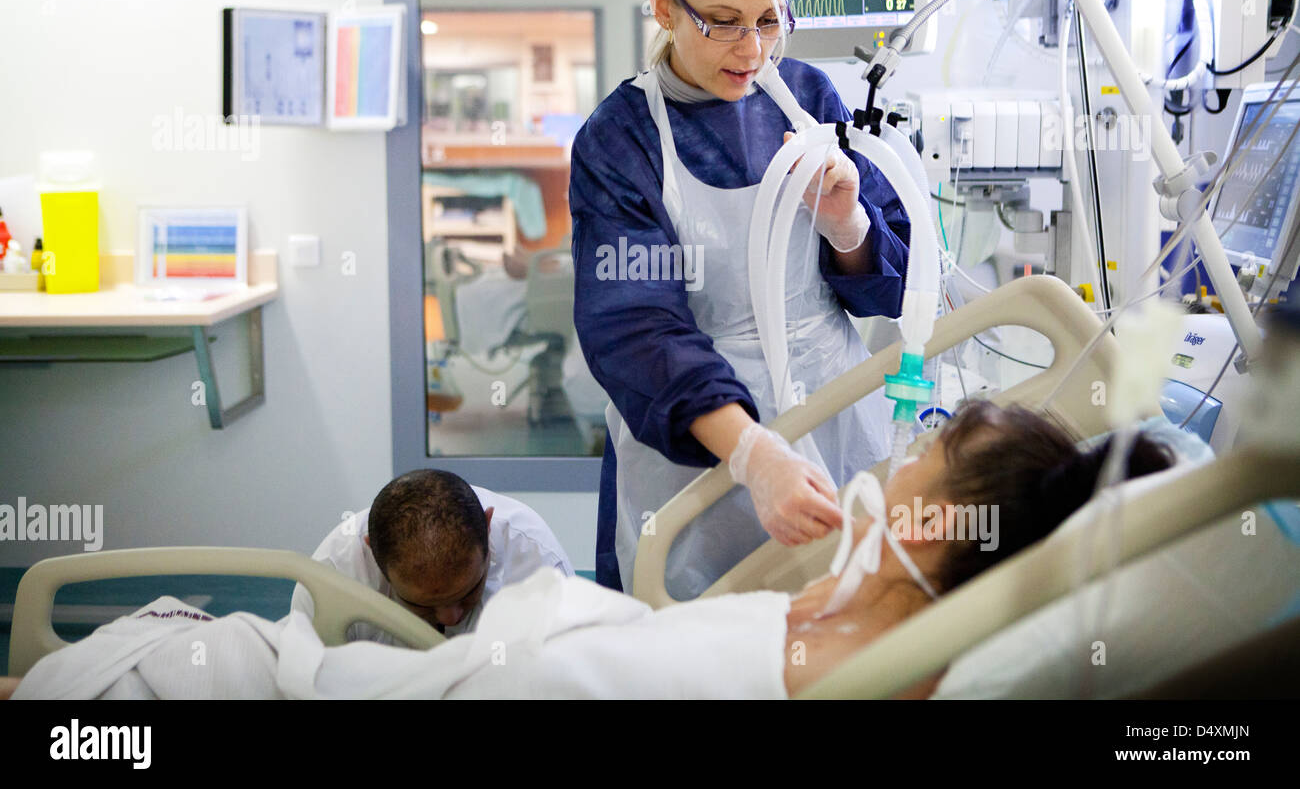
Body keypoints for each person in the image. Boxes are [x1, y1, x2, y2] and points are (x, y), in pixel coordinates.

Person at [6, 401, 1177, 699]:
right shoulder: (843, 613)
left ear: (930, 530)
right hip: (498, 651)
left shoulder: (867, 662)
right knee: (214, 654)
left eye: (927, 444)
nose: (893, 457)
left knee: (179, 675)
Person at [569, 0, 911, 599]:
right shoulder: (621, 141)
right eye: (722, 23)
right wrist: (755, 455)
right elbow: (635, 330)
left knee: (852, 625)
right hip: (700, 443)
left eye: (769, 22)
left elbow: (893, 281)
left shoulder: (810, 95)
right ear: (664, 8)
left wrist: (848, 225)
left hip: (836, 407)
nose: (752, 50)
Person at [288, 469, 573, 640]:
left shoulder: (538, 562)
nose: (450, 618)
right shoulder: (330, 581)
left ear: (487, 528)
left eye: (468, 592)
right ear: (373, 553)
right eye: (422, 604)